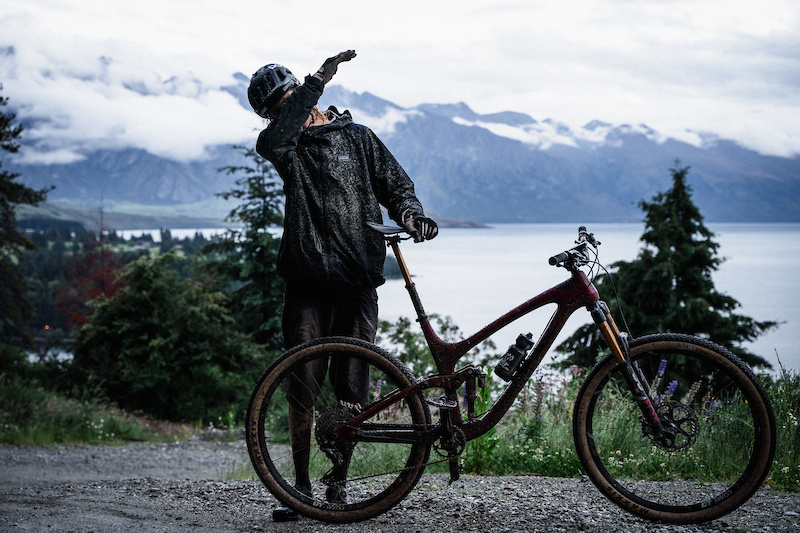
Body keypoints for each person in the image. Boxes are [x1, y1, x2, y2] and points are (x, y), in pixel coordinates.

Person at [247, 50, 438, 521]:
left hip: (356, 281)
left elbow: (396, 186)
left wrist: (411, 215)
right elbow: (274, 137)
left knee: (353, 387)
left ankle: (338, 484)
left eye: (284, 100)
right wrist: (315, 81)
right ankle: (299, 488)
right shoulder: (283, 146)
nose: (283, 112)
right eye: (275, 109)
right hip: (306, 284)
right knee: (301, 386)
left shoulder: (359, 138)